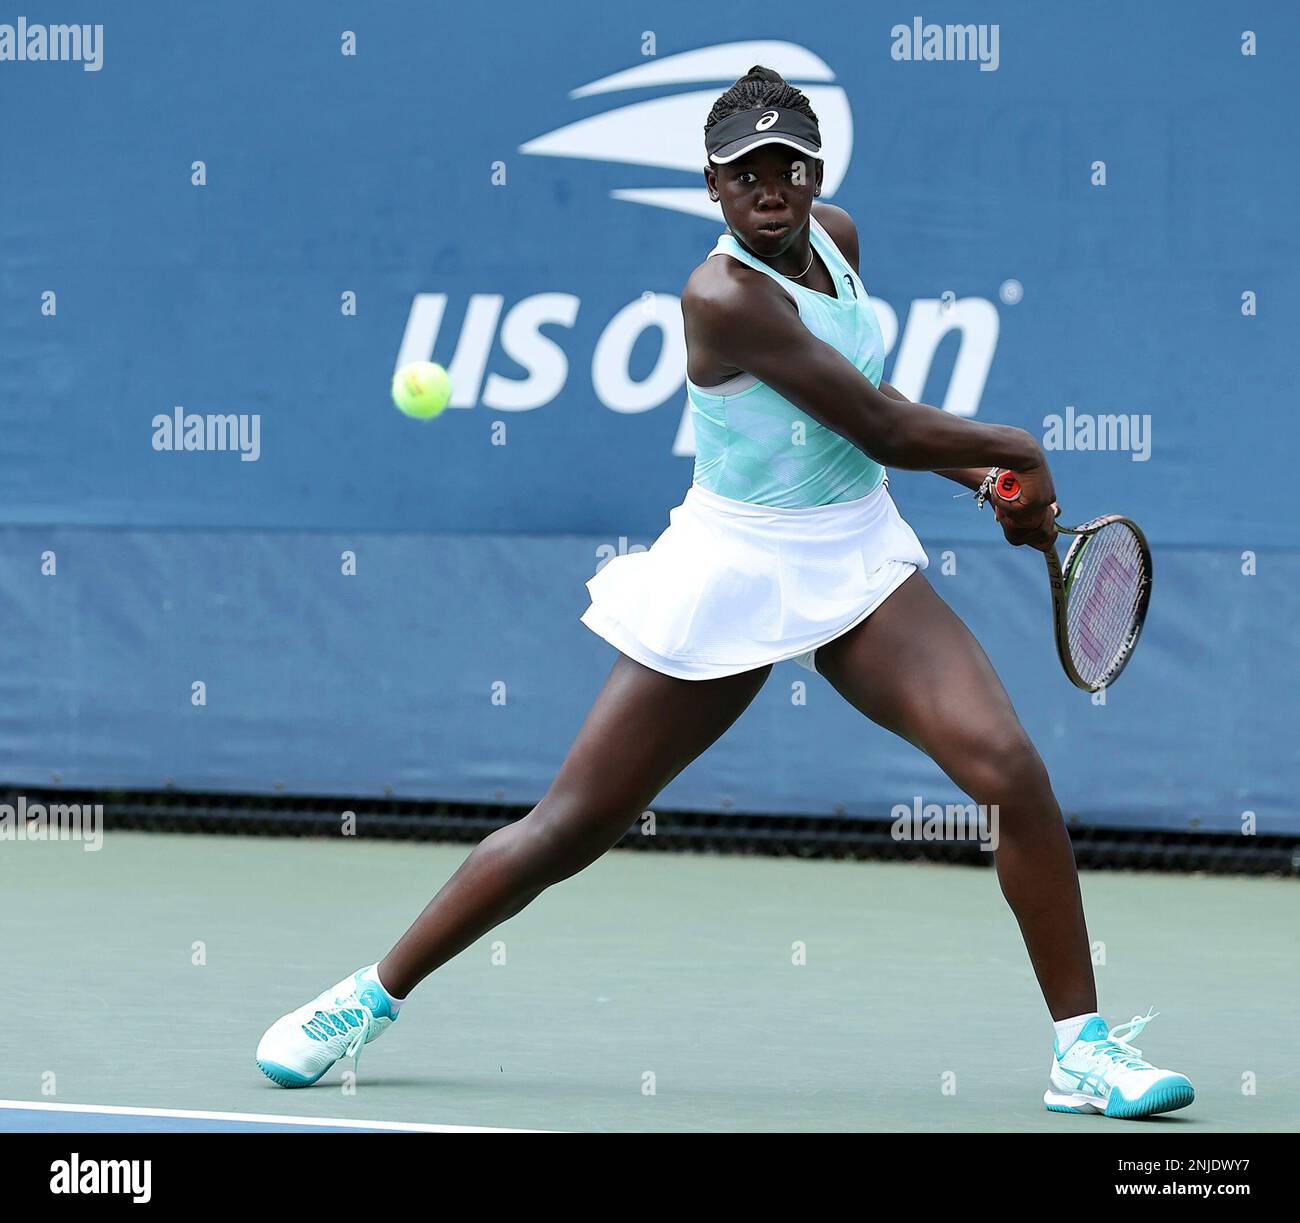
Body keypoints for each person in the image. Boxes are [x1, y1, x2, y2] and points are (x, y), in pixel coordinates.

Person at [256, 66, 1193, 1121]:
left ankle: (1082, 1050)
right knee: (571, 824)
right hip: (733, 566)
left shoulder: (838, 238)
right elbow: (881, 427)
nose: (768, 185)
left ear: (816, 173)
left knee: (1009, 768)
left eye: (787, 164)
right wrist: (1014, 447)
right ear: (711, 185)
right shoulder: (721, 297)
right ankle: (366, 998)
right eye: (745, 170)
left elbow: (862, 395)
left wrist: (981, 476)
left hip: (855, 557)